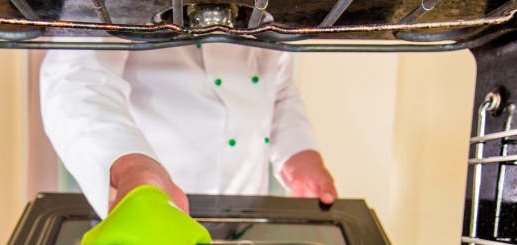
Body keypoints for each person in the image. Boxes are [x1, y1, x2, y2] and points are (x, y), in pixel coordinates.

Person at [39, 43, 337, 220]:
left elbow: (278, 81)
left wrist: (297, 151)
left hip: (247, 209)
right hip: (147, 204)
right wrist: (130, 165)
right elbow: (78, 79)